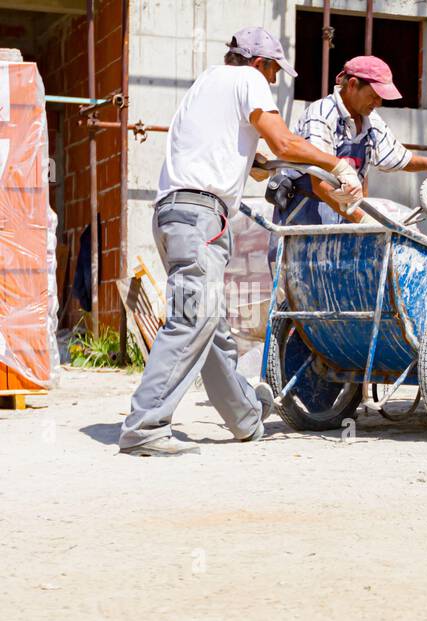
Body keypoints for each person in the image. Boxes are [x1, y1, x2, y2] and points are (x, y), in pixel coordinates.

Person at [118, 27, 363, 457]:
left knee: (210, 326)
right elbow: (282, 140)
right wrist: (337, 164)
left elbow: (261, 164)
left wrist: (296, 168)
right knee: (191, 321)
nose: (272, 83)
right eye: (273, 72)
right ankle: (145, 426)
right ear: (258, 64)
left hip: (174, 215)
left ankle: (246, 418)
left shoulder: (205, 86)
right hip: (200, 217)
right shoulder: (247, 81)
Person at [266, 55, 427, 231]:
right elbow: (319, 183)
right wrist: (364, 222)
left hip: (345, 212)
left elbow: (400, 157)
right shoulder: (322, 114)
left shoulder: (371, 120)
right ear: (353, 85)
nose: (378, 103)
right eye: (374, 96)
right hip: (303, 214)